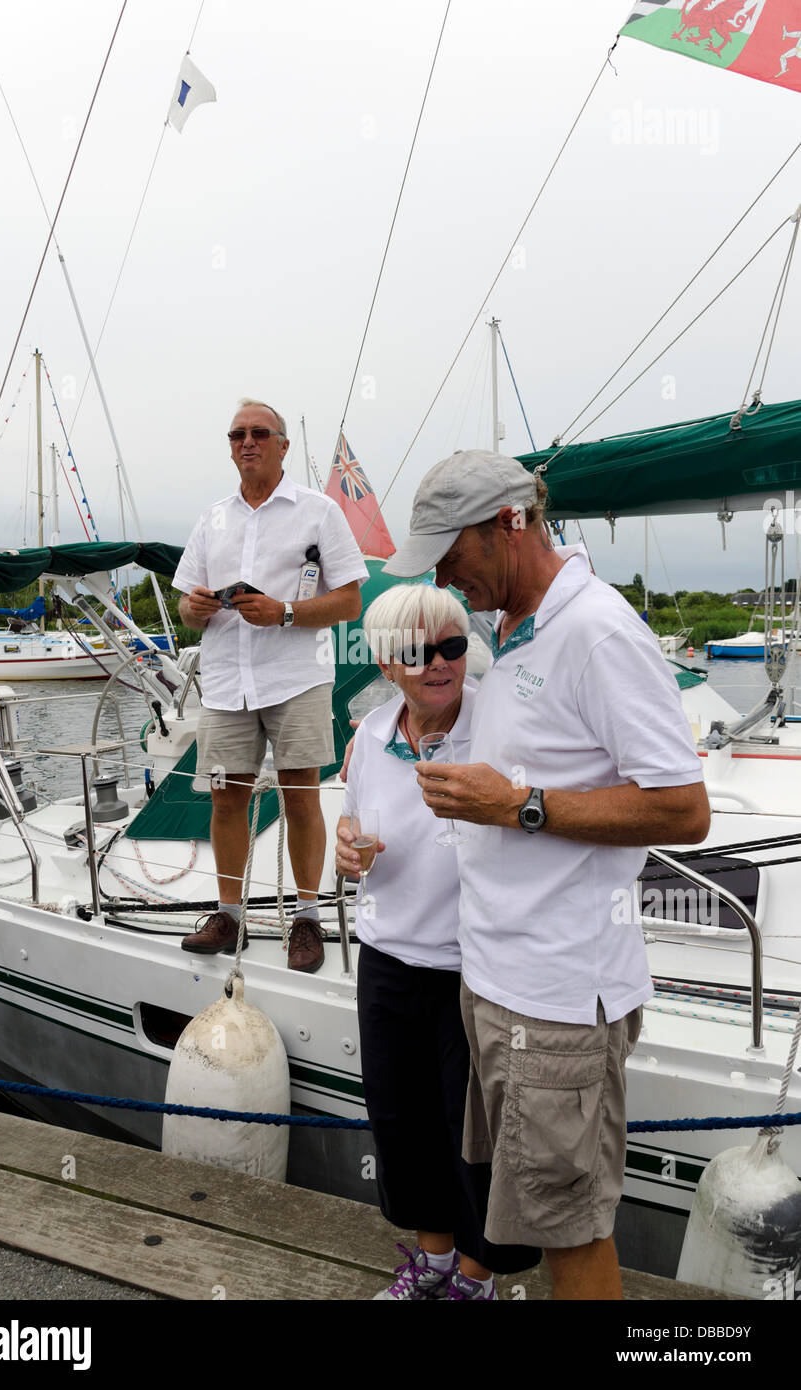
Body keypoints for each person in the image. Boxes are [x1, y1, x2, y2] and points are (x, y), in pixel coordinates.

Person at [383, 449, 710, 1300]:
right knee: (534, 1208)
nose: (446, 580)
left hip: (560, 996)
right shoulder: (512, 629)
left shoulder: (595, 631)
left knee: (571, 1231)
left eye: (450, 555)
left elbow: (681, 808)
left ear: (508, 524)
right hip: (498, 983)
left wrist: (517, 805)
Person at [336, 582, 540, 1300]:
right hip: (389, 957)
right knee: (402, 1121)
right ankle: (430, 1266)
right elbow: (352, 823)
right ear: (387, 663)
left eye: (452, 646)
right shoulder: (368, 735)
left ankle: (477, 1281)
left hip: (476, 968)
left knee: (478, 1137)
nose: (439, 663)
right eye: (418, 652)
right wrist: (347, 846)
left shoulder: (501, 727)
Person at [173, 398, 368, 972]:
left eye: (260, 433)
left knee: (300, 794)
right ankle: (228, 914)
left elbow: (350, 599)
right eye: (237, 435)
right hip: (227, 680)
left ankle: (306, 917)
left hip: (295, 677)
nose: (247, 442)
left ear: (284, 445)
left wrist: (283, 611)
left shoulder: (319, 511)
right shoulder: (212, 519)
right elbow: (185, 608)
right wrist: (197, 605)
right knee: (226, 797)